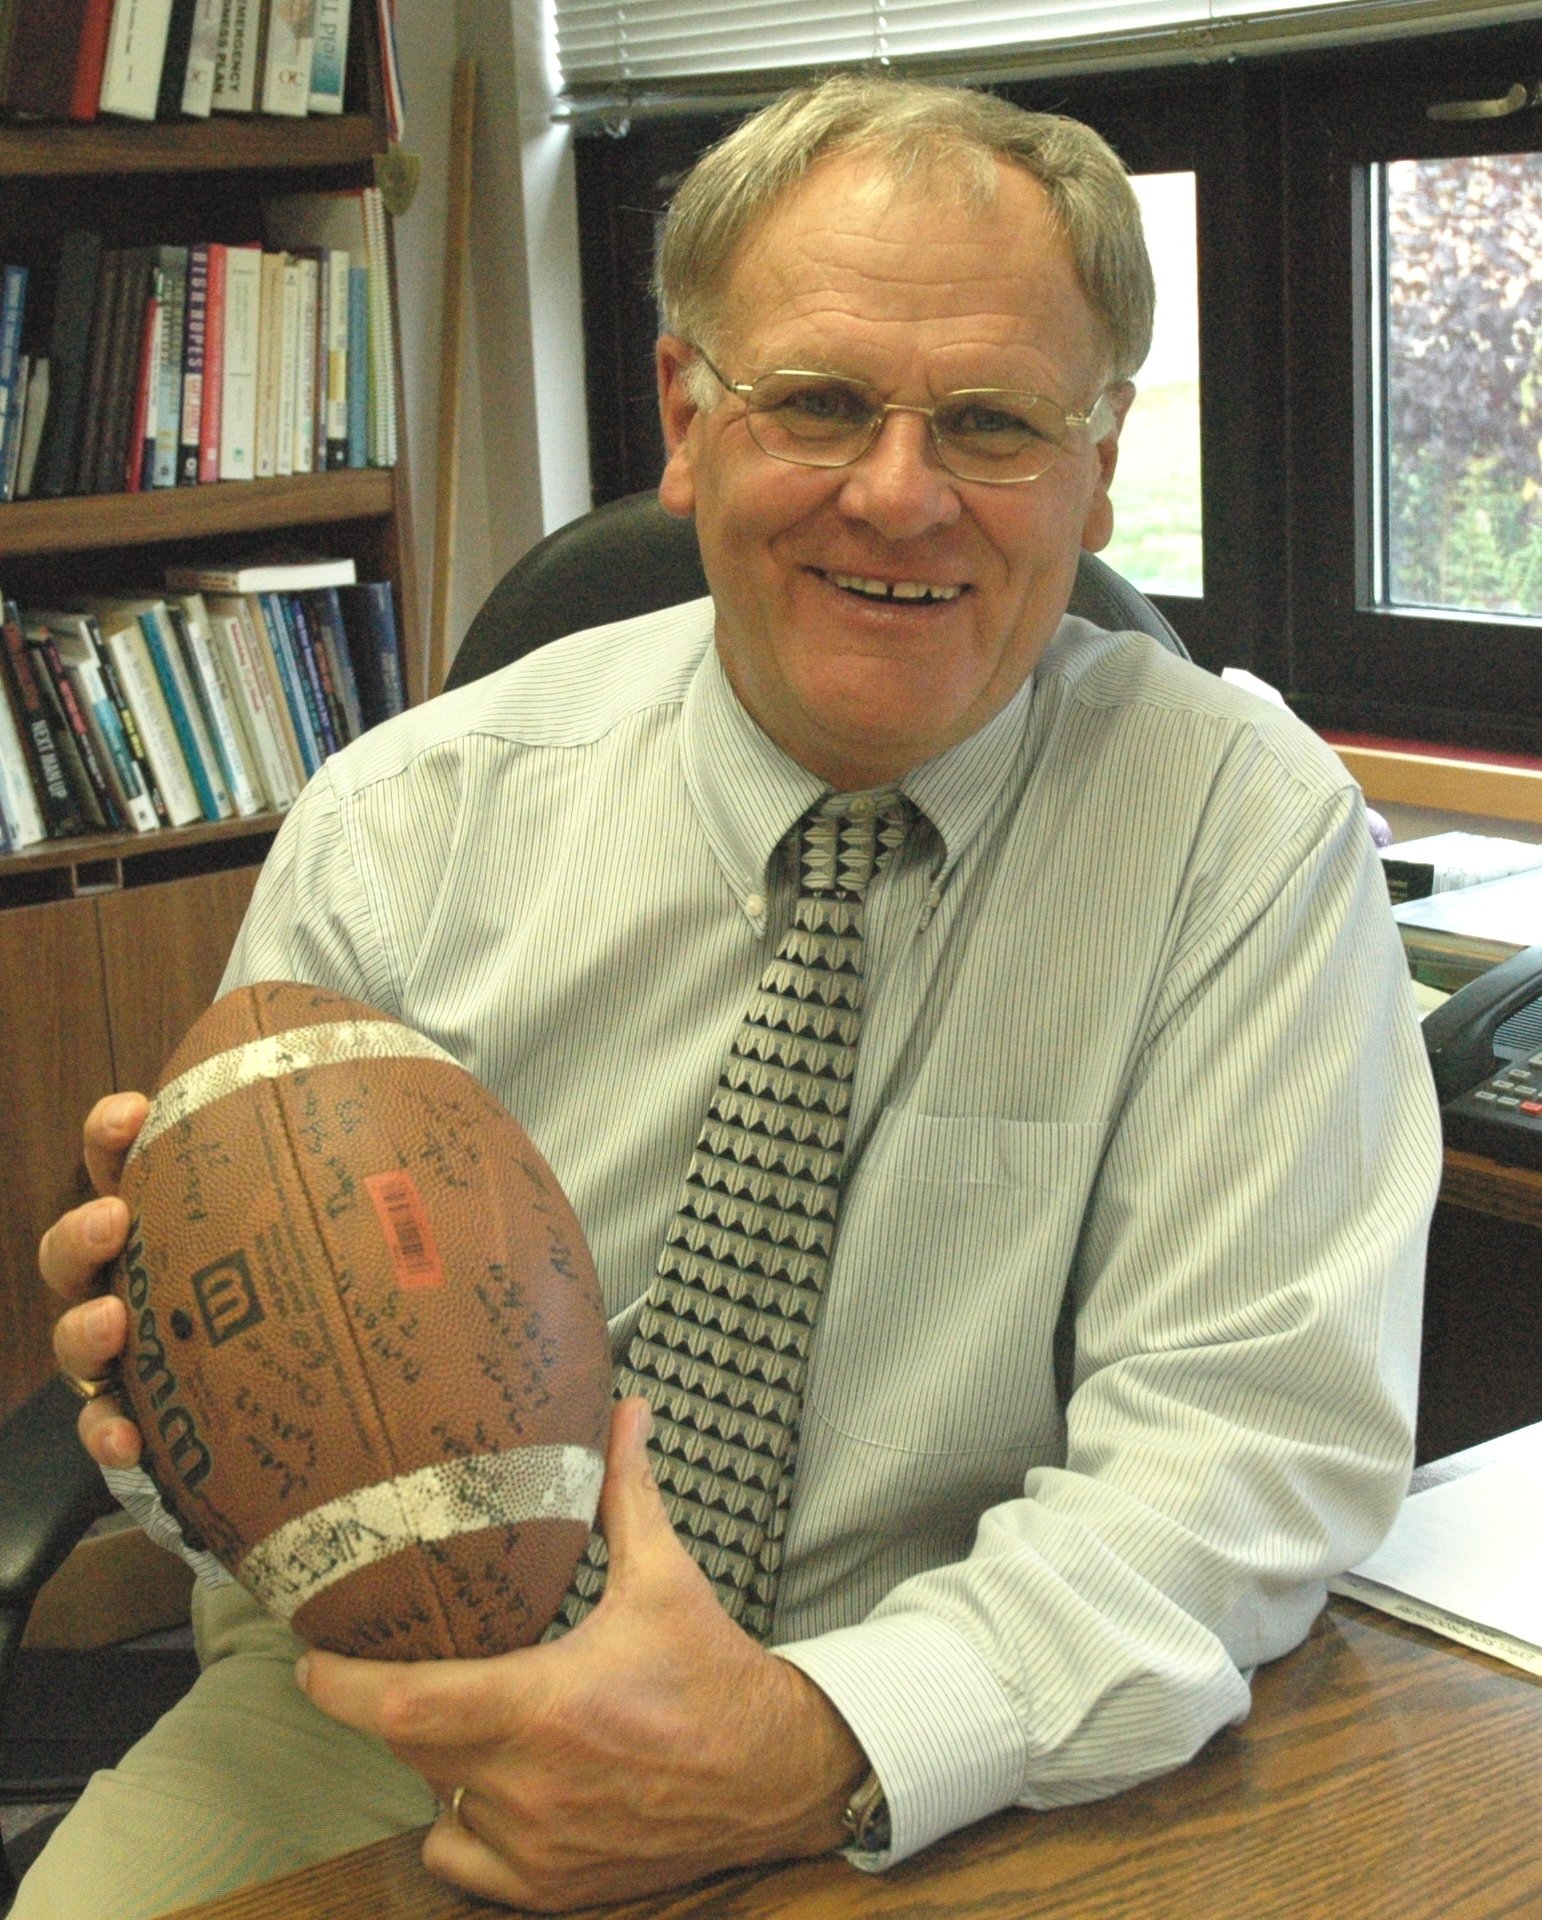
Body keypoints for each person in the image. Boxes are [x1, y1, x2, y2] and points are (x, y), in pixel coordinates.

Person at [27, 71, 1440, 1919]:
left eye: (997, 423)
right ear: (689, 419)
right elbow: (278, 1462)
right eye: (820, 402)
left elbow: (1242, 1458)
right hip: (383, 1719)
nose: (901, 493)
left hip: (956, 1736)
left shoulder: (1239, 838)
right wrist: (178, 1413)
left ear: (1098, 467)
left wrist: (809, 1740)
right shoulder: (407, 818)